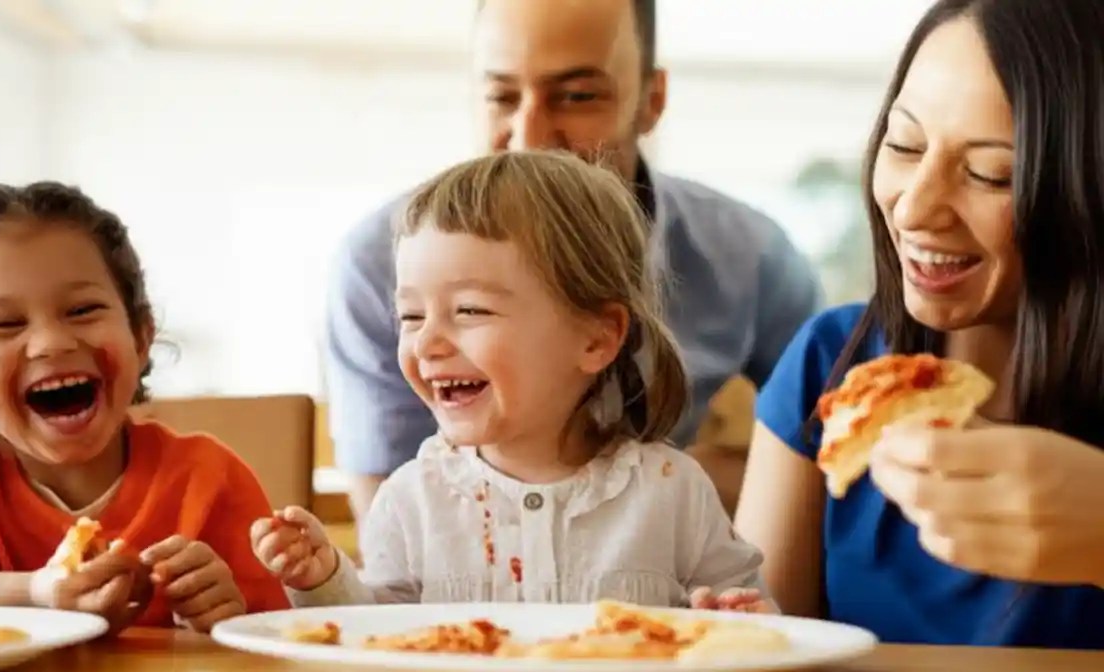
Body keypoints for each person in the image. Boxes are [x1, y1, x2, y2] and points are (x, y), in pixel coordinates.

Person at [325, 0, 822, 523]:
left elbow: (830, 473)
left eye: (578, 96)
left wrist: (675, 479)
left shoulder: (753, 260)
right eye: (502, 96)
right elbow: (397, 523)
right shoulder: (380, 264)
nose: (531, 138)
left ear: (652, 100)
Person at [254, 151, 774, 612]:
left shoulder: (671, 491)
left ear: (596, 338)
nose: (427, 343)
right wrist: (323, 579)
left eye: (469, 310)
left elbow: (749, 616)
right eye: (410, 317)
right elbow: (379, 631)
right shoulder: (413, 498)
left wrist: (733, 618)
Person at [735, 0, 1104, 648]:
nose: (915, 206)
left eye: (991, 173)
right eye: (903, 144)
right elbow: (766, 651)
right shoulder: (831, 364)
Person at [0, 182, 289, 633]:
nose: (52, 342)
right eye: (5, 324)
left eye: (83, 309)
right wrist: (36, 592)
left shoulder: (209, 477)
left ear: (141, 337)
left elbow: (278, 638)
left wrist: (228, 613)